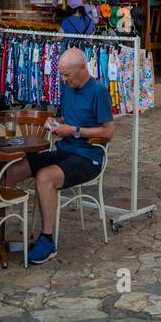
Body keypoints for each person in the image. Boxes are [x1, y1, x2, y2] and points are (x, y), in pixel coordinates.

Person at [24, 49, 116, 265]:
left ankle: (47, 239)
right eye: (61, 75)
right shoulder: (69, 88)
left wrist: (74, 130)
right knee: (14, 168)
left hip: (89, 157)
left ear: (82, 69)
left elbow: (108, 132)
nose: (63, 79)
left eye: (67, 75)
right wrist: (55, 123)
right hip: (66, 150)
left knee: (45, 177)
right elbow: (71, 117)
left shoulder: (99, 91)